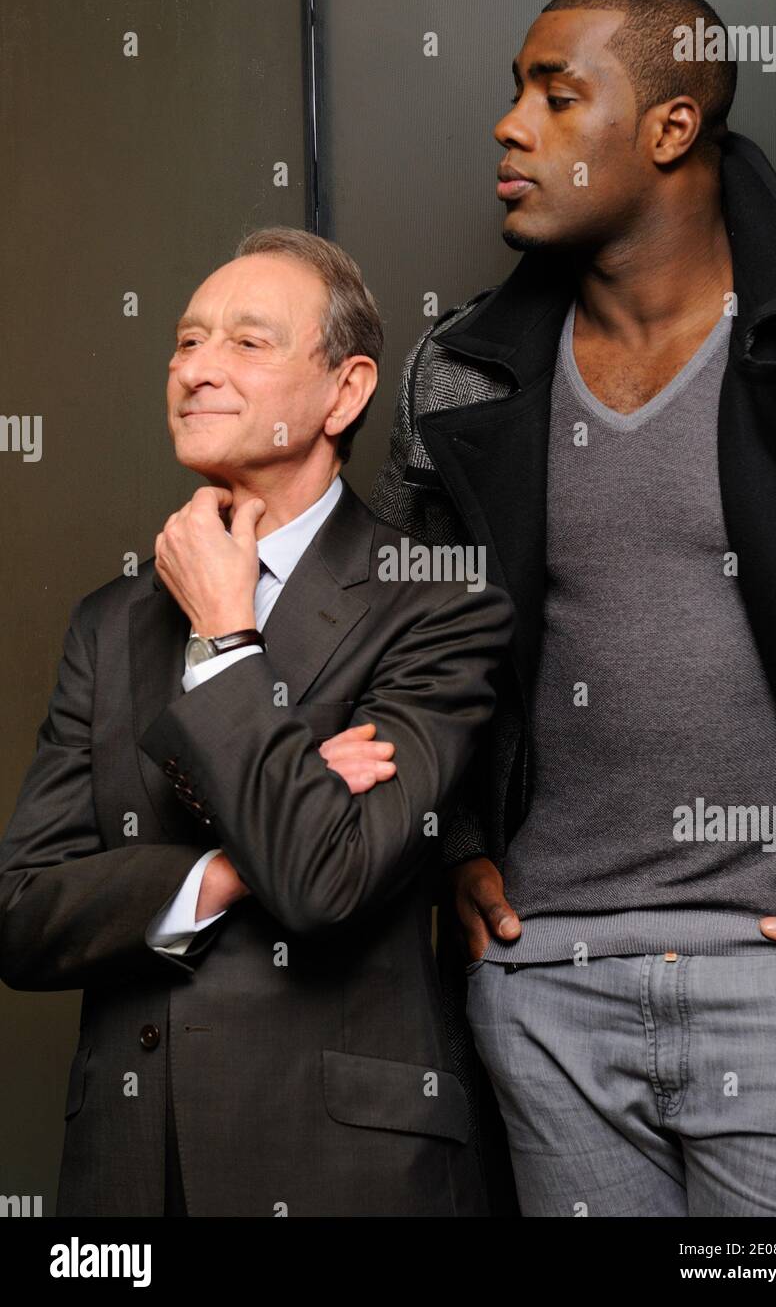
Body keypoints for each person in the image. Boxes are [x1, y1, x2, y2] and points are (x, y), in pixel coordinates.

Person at [369, 0, 776, 1217]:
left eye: (556, 92)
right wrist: (457, 850)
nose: (509, 124)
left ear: (669, 128)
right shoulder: (460, 376)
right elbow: (418, 652)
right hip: (546, 983)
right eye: (513, 90)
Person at [0, 226, 513, 1217]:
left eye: (246, 341)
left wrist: (229, 637)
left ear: (345, 391)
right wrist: (225, 869)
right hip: (128, 1175)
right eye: (186, 341)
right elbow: (23, 914)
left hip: (343, 1170)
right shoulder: (109, 625)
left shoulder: (438, 601)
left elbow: (327, 878)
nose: (195, 368)